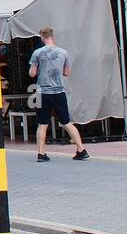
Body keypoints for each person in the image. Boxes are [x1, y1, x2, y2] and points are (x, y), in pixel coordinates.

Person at [29, 27, 89, 162]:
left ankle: (41, 153)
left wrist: (40, 70)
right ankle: (81, 149)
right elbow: (66, 73)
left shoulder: (37, 53)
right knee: (66, 122)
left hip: (42, 93)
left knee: (42, 124)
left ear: (42, 38)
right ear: (52, 36)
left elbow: (32, 73)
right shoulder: (64, 53)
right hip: (59, 92)